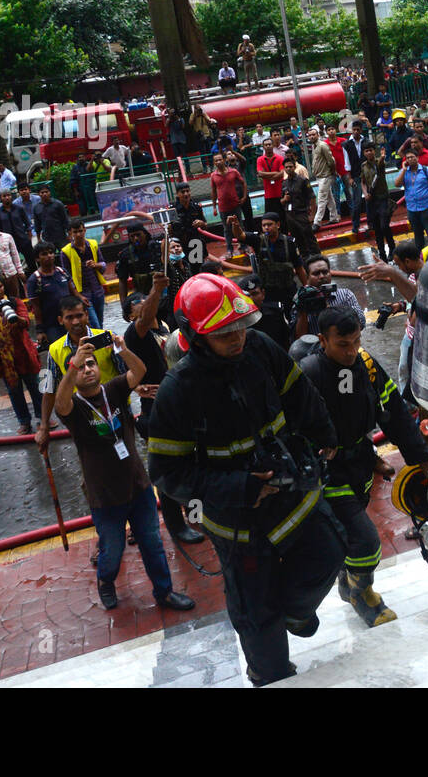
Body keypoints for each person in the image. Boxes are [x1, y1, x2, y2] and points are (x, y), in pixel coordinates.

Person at [148, 274, 340, 685]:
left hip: (293, 499)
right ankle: (269, 670)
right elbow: (167, 472)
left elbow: (298, 392)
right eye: (223, 333)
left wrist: (325, 436)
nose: (237, 338)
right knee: (256, 611)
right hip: (236, 522)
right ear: (194, 335)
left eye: (240, 327)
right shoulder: (177, 391)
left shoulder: (259, 347)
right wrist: (242, 487)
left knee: (328, 553)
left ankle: (295, 613)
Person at [298, 306, 428, 626]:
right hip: (327, 470)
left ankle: (349, 579)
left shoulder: (368, 366)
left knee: (352, 533)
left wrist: (419, 455)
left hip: (360, 461)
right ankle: (363, 592)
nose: (351, 352)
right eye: (342, 345)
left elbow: (395, 413)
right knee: (366, 540)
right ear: (323, 340)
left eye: (356, 342)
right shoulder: (308, 374)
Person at [54, 333, 195, 613]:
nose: (88, 370)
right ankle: (106, 581)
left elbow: (139, 371)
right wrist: (72, 366)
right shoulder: (74, 408)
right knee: (113, 551)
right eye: (82, 368)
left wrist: (123, 349)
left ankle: (164, 592)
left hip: (139, 487)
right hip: (105, 497)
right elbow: (59, 405)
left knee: (152, 543)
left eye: (91, 364)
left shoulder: (114, 389)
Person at [120, 279, 203, 545]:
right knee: (168, 466)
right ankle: (177, 526)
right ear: (131, 315)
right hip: (157, 409)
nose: (144, 305)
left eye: (146, 299)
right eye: (137, 304)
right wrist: (156, 289)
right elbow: (145, 318)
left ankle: (195, 514)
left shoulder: (166, 327)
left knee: (192, 460)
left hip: (180, 401)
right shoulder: (135, 333)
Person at [36, 294, 125, 455]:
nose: (76, 322)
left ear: (87, 315)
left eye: (79, 315)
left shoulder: (107, 337)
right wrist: (44, 427)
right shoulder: (53, 350)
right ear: (60, 320)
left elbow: (125, 373)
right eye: (69, 317)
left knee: (123, 452)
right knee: (92, 456)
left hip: (115, 409)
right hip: (82, 415)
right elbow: (47, 389)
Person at [0, 276, 43, 434]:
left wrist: (14, 316)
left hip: (24, 353)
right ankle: (24, 422)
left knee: (35, 387)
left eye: (0, 286)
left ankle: (42, 417)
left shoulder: (15, 302)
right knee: (14, 391)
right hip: (3, 358)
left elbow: (26, 322)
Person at [293, 254, 365, 338]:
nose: (322, 276)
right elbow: (299, 337)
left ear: (330, 273)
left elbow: (361, 324)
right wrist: (303, 311)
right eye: (316, 274)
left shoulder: (345, 295)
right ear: (307, 277)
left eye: (325, 272)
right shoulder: (301, 299)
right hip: (315, 349)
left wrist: (330, 310)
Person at [26, 243, 79, 345]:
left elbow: (74, 293)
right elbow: (36, 308)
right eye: (44, 254)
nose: (49, 256)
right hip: (52, 326)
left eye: (51, 253)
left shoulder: (62, 272)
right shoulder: (34, 280)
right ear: (37, 258)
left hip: (71, 321)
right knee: (60, 353)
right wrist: (40, 331)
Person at [61, 220, 106, 329]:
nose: (78, 234)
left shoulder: (93, 244)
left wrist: (96, 265)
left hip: (98, 290)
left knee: (99, 322)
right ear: (70, 234)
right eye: (75, 232)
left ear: (85, 230)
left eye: (80, 231)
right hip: (83, 294)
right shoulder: (65, 252)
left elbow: (103, 264)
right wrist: (78, 296)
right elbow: (67, 277)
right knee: (94, 324)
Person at [395, 150, 428, 251]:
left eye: (412, 157)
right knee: (417, 233)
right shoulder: (404, 172)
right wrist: (404, 170)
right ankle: (420, 255)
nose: (410, 159)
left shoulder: (426, 170)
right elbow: (397, 184)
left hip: (426, 206)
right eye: (408, 158)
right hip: (412, 208)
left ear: (417, 158)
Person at [362, 142, 395, 262]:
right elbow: (363, 181)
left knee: (384, 225)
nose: (369, 152)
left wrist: (382, 157)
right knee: (376, 229)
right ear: (364, 153)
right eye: (366, 151)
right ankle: (382, 254)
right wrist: (365, 193)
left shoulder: (379, 163)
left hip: (383, 199)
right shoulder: (363, 166)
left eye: (371, 150)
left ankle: (392, 247)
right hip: (372, 201)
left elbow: (381, 164)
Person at [281, 158, 319, 257]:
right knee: (297, 239)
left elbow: (312, 198)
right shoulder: (284, 183)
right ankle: (305, 259)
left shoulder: (302, 181)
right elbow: (281, 201)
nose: (288, 169)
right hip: (290, 215)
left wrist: (313, 215)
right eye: (286, 167)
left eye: (290, 167)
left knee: (309, 237)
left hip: (301, 213)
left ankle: (317, 257)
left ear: (294, 167)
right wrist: (284, 199)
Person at [115, 222, 160, 305]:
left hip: (162, 294)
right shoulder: (125, 255)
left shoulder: (157, 248)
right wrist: (124, 305)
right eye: (132, 236)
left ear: (145, 234)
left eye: (138, 235)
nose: (136, 238)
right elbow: (122, 280)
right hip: (142, 297)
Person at [0, 190, 34, 270]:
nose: (7, 198)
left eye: (8, 195)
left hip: (22, 239)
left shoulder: (19, 209)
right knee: (12, 263)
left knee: (31, 260)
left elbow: (27, 223)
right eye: (4, 196)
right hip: (8, 242)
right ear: (1, 199)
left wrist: (29, 236)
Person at [310, 131, 338, 227]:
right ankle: (334, 217)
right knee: (329, 197)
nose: (312, 136)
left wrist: (333, 172)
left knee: (321, 199)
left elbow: (331, 160)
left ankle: (316, 222)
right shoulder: (314, 146)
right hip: (320, 176)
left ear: (318, 135)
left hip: (325, 176)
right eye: (310, 135)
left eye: (314, 134)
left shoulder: (322, 145)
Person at [257, 134, 287, 218]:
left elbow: (282, 173)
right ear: (263, 147)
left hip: (280, 193)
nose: (268, 146)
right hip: (269, 195)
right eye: (266, 145)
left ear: (273, 145)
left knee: (283, 217)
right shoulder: (260, 159)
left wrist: (266, 175)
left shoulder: (280, 158)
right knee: (270, 218)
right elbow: (260, 173)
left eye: (269, 144)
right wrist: (276, 173)